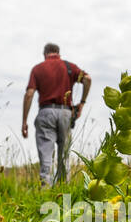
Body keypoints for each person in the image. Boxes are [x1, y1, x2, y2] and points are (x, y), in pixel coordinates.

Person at [22, 43, 91, 187]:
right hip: (66, 112)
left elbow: (29, 94)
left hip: (46, 112)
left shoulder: (38, 68)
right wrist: (82, 103)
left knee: (46, 154)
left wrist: (24, 121)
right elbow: (87, 79)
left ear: (45, 54)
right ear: (58, 53)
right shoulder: (69, 67)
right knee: (64, 154)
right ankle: (63, 190)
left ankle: (46, 189)